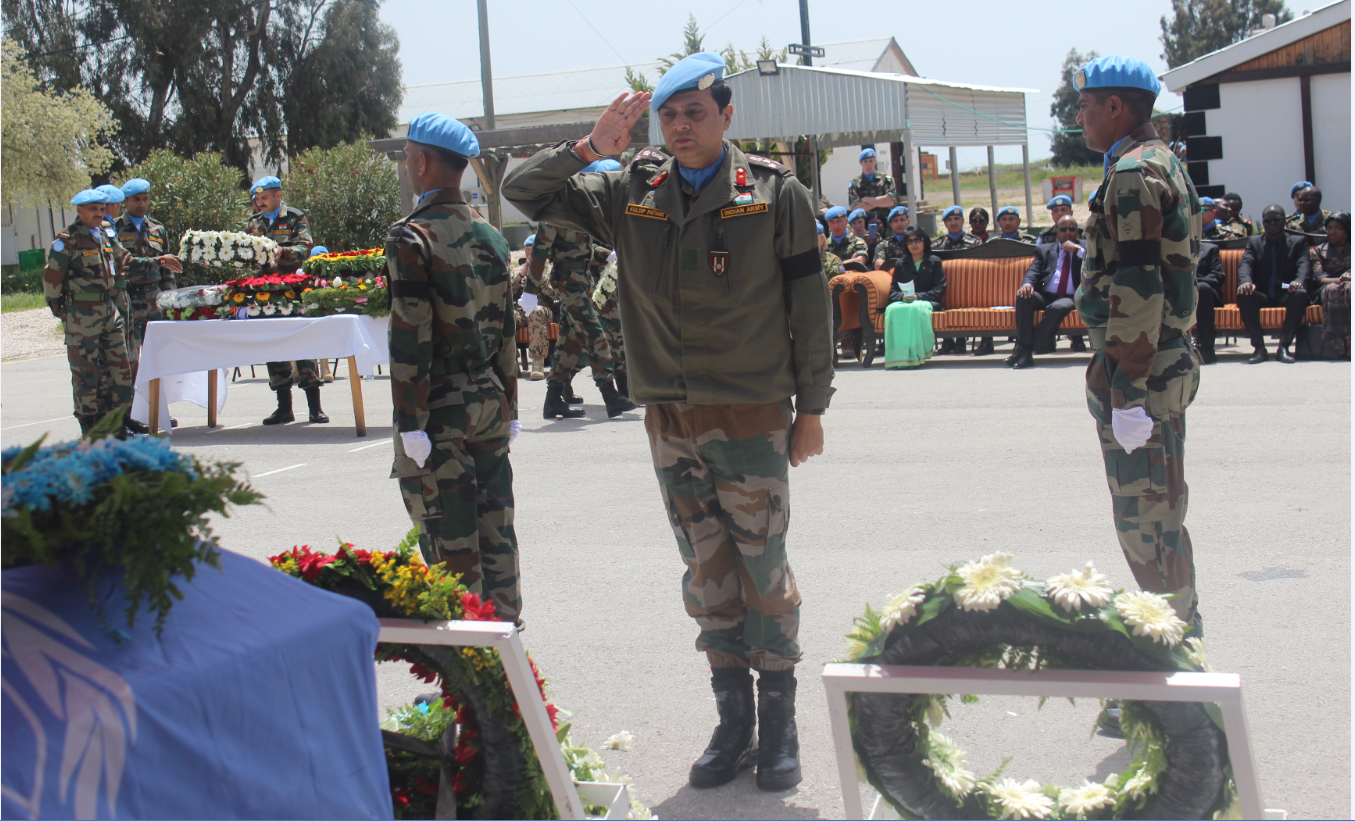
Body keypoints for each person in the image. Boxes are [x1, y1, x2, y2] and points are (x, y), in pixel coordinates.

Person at [502, 51, 834, 793]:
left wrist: (811, 407)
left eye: (694, 113)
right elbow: (520, 191)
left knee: (763, 566)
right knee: (704, 567)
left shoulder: (775, 196)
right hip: (669, 414)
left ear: (726, 115)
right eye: (669, 116)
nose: (680, 127)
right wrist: (591, 147)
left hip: (749, 411)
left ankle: (779, 726)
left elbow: (810, 309)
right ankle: (734, 724)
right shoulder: (628, 188)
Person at [1073, 55, 1203, 632]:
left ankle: (1171, 661)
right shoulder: (1162, 161)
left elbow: (1139, 284)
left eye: (1085, 105)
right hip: (1157, 362)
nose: (1080, 116)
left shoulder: (1131, 173)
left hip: (1141, 372)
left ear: (1115, 107)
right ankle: (1176, 650)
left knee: (1146, 524)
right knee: (1161, 518)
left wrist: (1125, 391)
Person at [386, 112, 522, 623]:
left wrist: (409, 424)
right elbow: (506, 329)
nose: (407, 165)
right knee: (496, 528)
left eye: (407, 157)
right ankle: (507, 646)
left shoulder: (412, 239)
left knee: (451, 540)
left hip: (438, 407)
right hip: (488, 396)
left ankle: (470, 667)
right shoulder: (490, 236)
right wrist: (509, 403)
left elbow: (410, 338)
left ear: (421, 161)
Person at [531, 162, 635, 419]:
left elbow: (583, 250)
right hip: (568, 285)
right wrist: (529, 291)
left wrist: (608, 255)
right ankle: (610, 396)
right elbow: (539, 253)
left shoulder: (579, 210)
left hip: (582, 282)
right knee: (596, 335)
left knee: (569, 346)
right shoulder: (553, 211)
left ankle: (553, 400)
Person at [41, 189, 135, 435]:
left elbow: (124, 260)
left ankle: (117, 422)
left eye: (101, 209)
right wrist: (61, 311)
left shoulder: (104, 235)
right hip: (81, 314)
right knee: (86, 374)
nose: (98, 213)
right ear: (79, 210)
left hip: (108, 310)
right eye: (92, 208)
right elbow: (52, 280)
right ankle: (89, 424)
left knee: (120, 370)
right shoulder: (67, 240)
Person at [244, 175, 328, 425]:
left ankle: (315, 407)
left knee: (303, 344)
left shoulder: (294, 217)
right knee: (274, 345)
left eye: (264, 198)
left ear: (278, 196)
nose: (260, 204)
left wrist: (284, 251)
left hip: (293, 288)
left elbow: (305, 248)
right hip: (265, 291)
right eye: (257, 199)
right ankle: (284, 407)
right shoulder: (254, 222)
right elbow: (248, 253)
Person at [116, 178, 182, 382]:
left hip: (154, 300)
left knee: (158, 357)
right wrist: (160, 261)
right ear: (125, 202)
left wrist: (170, 300)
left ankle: (160, 410)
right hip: (130, 298)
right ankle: (136, 409)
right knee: (131, 359)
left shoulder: (157, 229)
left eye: (145, 199)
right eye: (136, 199)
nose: (142, 203)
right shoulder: (116, 229)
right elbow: (125, 264)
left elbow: (167, 271)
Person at [1008, 215, 1086, 368]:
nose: (1068, 232)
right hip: (1046, 294)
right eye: (1063, 229)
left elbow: (1096, 261)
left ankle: (1025, 350)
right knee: (1024, 297)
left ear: (1077, 231)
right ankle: (1024, 349)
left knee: (1058, 307)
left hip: (1071, 296)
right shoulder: (1045, 250)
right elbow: (1034, 270)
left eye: (1072, 228)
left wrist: (1077, 251)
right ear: (1057, 231)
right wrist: (1028, 284)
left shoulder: (1085, 247)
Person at [1237, 204, 1311, 363]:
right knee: (1244, 294)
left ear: (1284, 221)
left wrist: (1299, 281)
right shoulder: (1254, 241)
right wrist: (1246, 282)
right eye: (1268, 220)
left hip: (1287, 292)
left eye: (1276, 220)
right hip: (1263, 293)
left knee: (1301, 294)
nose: (1272, 223)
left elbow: (1303, 265)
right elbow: (1245, 264)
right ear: (1263, 223)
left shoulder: (1299, 242)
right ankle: (1259, 349)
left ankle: (1284, 347)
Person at [882, 226, 944, 369]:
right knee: (892, 309)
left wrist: (919, 296)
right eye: (909, 242)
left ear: (925, 242)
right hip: (906, 301)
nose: (914, 244)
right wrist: (903, 297)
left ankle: (917, 355)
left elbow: (940, 289)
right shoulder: (901, 263)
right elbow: (893, 291)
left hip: (927, 301)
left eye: (917, 240)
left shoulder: (934, 261)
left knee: (916, 307)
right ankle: (900, 358)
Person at [513, 234, 560, 381]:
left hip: (544, 310)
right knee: (507, 315)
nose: (529, 253)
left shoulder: (551, 269)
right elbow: (509, 294)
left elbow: (555, 296)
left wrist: (539, 276)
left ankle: (537, 364)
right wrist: (522, 274)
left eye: (532, 249)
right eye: (526, 250)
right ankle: (512, 363)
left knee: (536, 312)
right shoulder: (518, 271)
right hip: (521, 311)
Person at [1310, 211, 1351, 357]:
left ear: (1346, 230)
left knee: (1350, 289)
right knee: (1334, 289)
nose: (1332, 231)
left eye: (1337, 228)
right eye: (1329, 228)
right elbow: (1318, 278)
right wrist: (1341, 280)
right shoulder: (1319, 250)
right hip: (1326, 287)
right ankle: (1341, 341)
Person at [847, 147, 896, 230]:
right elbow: (856, 208)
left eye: (871, 161)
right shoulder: (855, 183)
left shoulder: (886, 179)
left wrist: (866, 199)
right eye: (865, 161)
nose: (868, 164)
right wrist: (881, 202)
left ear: (875, 161)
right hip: (864, 226)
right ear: (861, 163)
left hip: (886, 224)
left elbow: (891, 201)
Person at [1193, 241, 1226, 363]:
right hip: (1178, 289)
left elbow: (1218, 275)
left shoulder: (1210, 249)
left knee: (1201, 289)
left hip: (1204, 293)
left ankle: (1207, 348)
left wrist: (1194, 284)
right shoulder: (1170, 246)